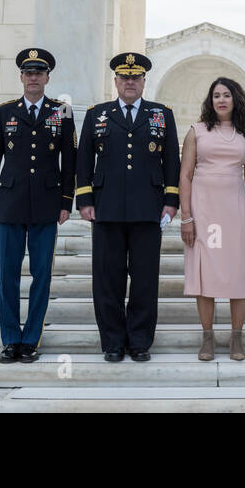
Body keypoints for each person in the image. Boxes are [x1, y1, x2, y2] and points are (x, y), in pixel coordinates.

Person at [75, 52, 180, 362]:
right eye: (124, 77)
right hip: (106, 208)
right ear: (116, 81)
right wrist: (85, 200)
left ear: (144, 81)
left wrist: (171, 201)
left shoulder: (161, 114)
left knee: (145, 278)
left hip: (148, 209)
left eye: (135, 77)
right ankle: (112, 342)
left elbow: (171, 159)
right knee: (108, 278)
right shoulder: (98, 114)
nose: (130, 82)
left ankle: (139, 341)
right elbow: (84, 161)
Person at [0, 47, 75, 364]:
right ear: (21, 77)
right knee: (8, 275)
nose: (33, 77)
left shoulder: (62, 111)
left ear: (47, 77)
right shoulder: (4, 111)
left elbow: (70, 161)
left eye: (39, 72)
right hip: (9, 204)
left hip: (47, 205)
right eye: (28, 72)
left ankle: (31, 339)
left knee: (41, 276)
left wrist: (66, 201)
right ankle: (10, 339)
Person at [179, 77, 245, 361]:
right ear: (210, 101)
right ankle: (208, 337)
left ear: (236, 99)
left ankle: (236, 338)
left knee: (237, 273)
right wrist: (186, 218)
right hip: (204, 213)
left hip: (235, 212)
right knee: (206, 274)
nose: (221, 100)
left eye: (226, 95)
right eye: (216, 95)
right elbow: (185, 175)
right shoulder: (196, 132)